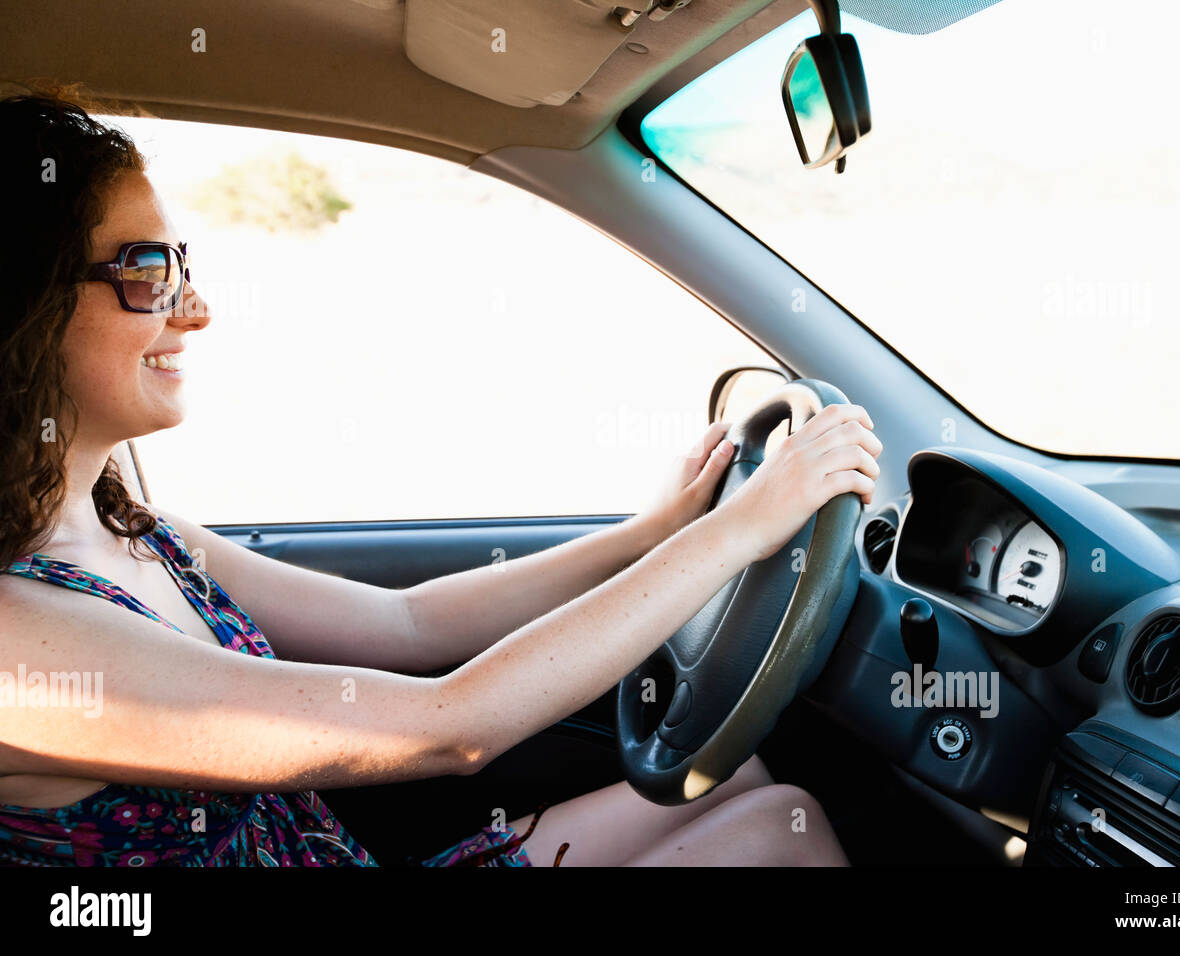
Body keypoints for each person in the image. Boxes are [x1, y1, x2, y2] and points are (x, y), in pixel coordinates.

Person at [0, 91, 883, 867]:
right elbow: (450, 728)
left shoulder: (139, 532)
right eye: (147, 270)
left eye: (180, 265)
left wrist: (651, 536)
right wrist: (742, 527)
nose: (195, 308)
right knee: (773, 832)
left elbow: (408, 622)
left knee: (752, 786)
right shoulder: (17, 644)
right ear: (25, 302)